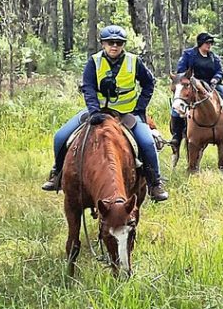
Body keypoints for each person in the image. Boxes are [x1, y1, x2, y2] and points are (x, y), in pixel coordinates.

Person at [42, 25, 169, 202]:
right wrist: (94, 111)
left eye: (118, 43)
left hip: (127, 114)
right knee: (60, 136)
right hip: (98, 111)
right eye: (110, 43)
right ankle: (57, 173)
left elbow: (149, 83)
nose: (114, 46)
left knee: (147, 142)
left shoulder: (134, 61)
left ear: (123, 44)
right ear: (103, 44)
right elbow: (88, 87)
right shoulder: (93, 62)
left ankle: (155, 183)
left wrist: (140, 108)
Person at [169, 32, 223, 149]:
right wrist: (190, 80)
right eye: (207, 43)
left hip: (210, 85)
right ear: (200, 43)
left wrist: (215, 79)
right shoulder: (188, 55)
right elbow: (181, 71)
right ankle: (176, 135)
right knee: (178, 103)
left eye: (211, 43)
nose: (209, 45)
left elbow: (219, 72)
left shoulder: (214, 57)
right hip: (191, 85)